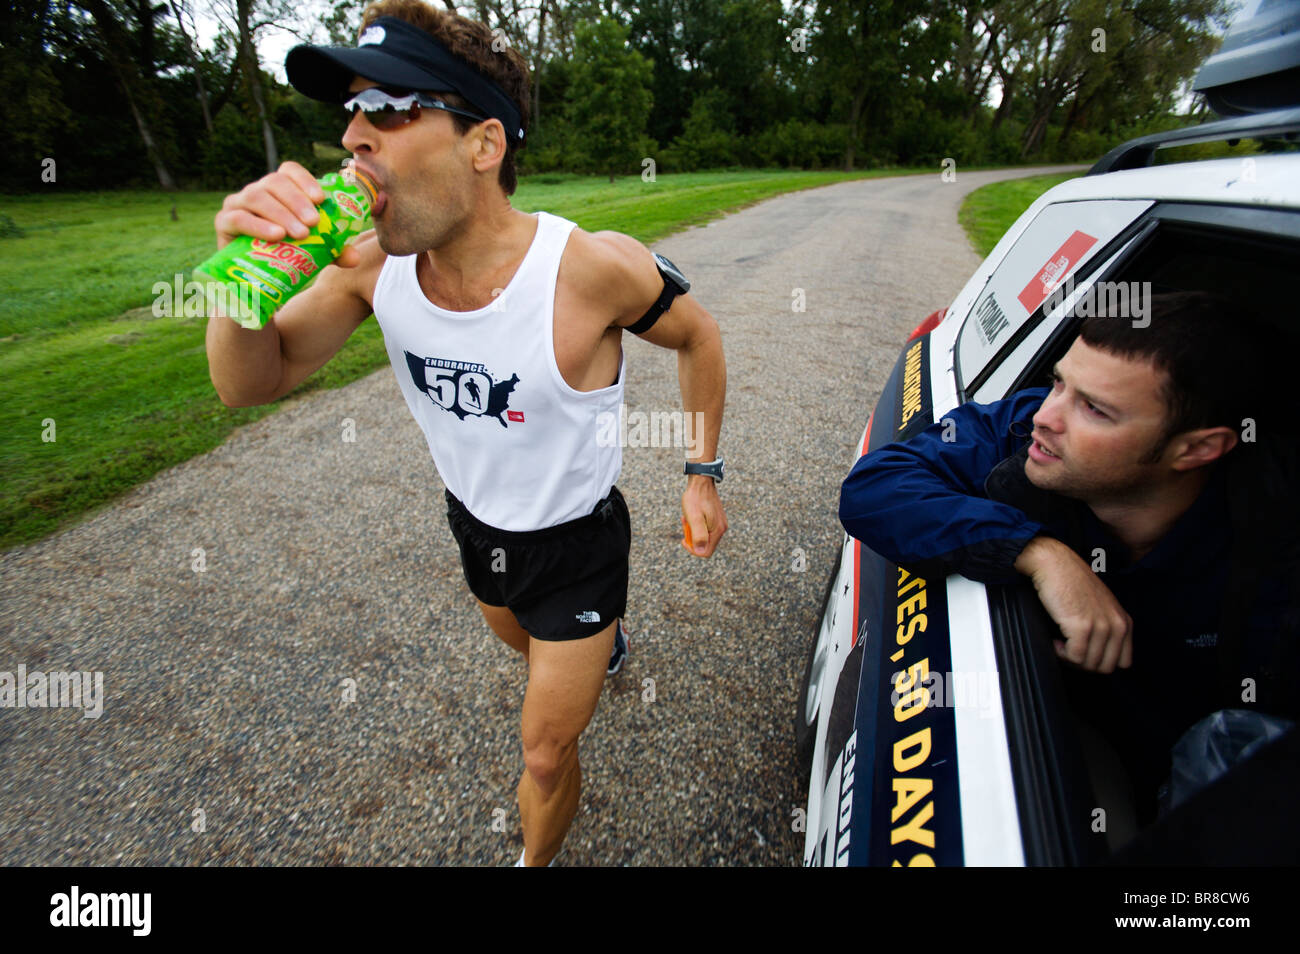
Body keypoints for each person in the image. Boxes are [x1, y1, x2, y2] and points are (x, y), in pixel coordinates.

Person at [204, 0, 728, 866]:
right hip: (478, 530)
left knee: (544, 750)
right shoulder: (371, 267)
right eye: (351, 114)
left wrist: (701, 472)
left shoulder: (590, 270)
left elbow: (700, 336)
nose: (353, 140)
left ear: (484, 145)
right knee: (520, 642)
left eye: (389, 109)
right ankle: (598, 650)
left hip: (577, 545)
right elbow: (247, 381)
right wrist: (241, 279)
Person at [839, 290, 1298, 823]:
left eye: (1094, 409)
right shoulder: (1023, 429)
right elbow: (873, 488)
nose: (1046, 416)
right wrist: (1037, 552)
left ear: (1197, 449)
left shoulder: (1274, 551)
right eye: (1059, 382)